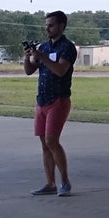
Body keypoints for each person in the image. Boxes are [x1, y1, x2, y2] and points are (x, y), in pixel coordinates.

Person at [24, 11, 77, 196]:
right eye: (46, 25)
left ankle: (65, 182)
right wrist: (28, 56)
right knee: (44, 144)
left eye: (51, 25)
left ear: (62, 26)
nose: (48, 28)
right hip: (42, 100)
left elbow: (61, 70)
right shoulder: (44, 47)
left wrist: (42, 57)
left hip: (59, 99)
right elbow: (29, 71)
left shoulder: (67, 47)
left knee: (51, 140)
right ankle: (50, 183)